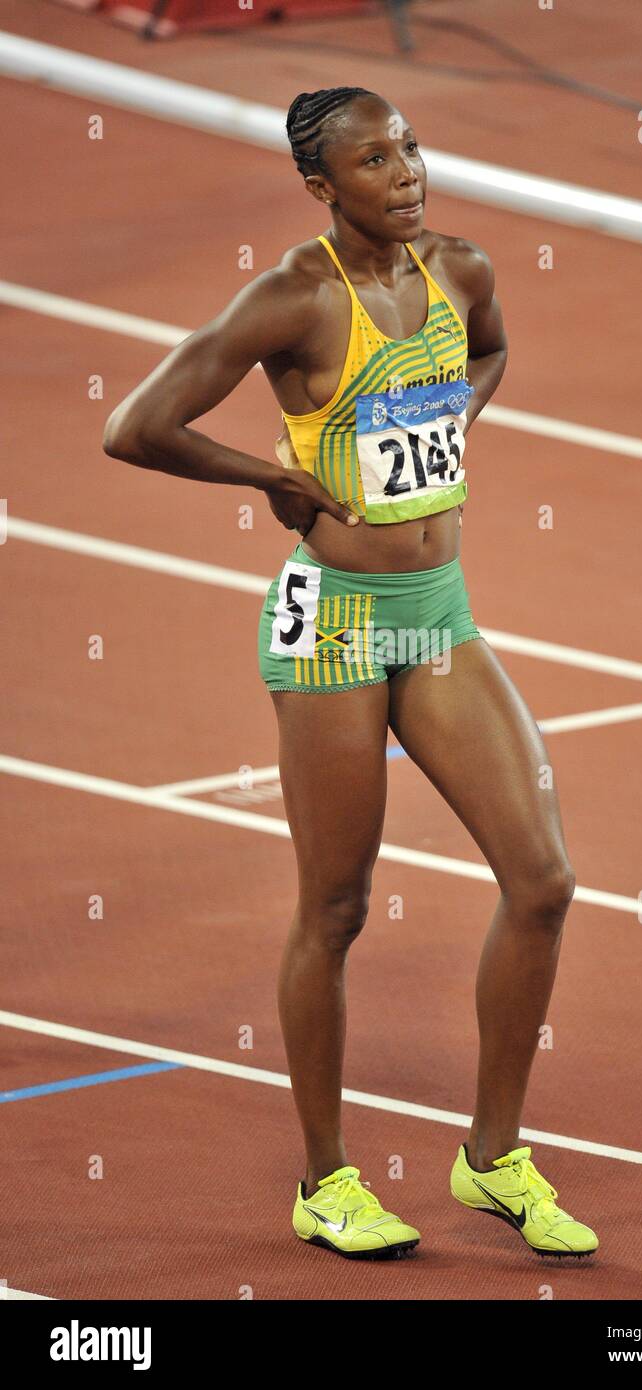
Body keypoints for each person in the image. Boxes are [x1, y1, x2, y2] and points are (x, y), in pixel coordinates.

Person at [103, 86, 598, 1263]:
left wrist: (458, 420)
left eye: (411, 147)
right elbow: (137, 424)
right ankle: (325, 1182)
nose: (406, 171)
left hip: (438, 614)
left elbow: (489, 353)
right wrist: (268, 479)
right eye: (373, 161)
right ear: (323, 188)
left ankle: (491, 1158)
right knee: (336, 905)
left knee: (544, 880)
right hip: (330, 622)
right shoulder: (294, 297)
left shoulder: (462, 269)